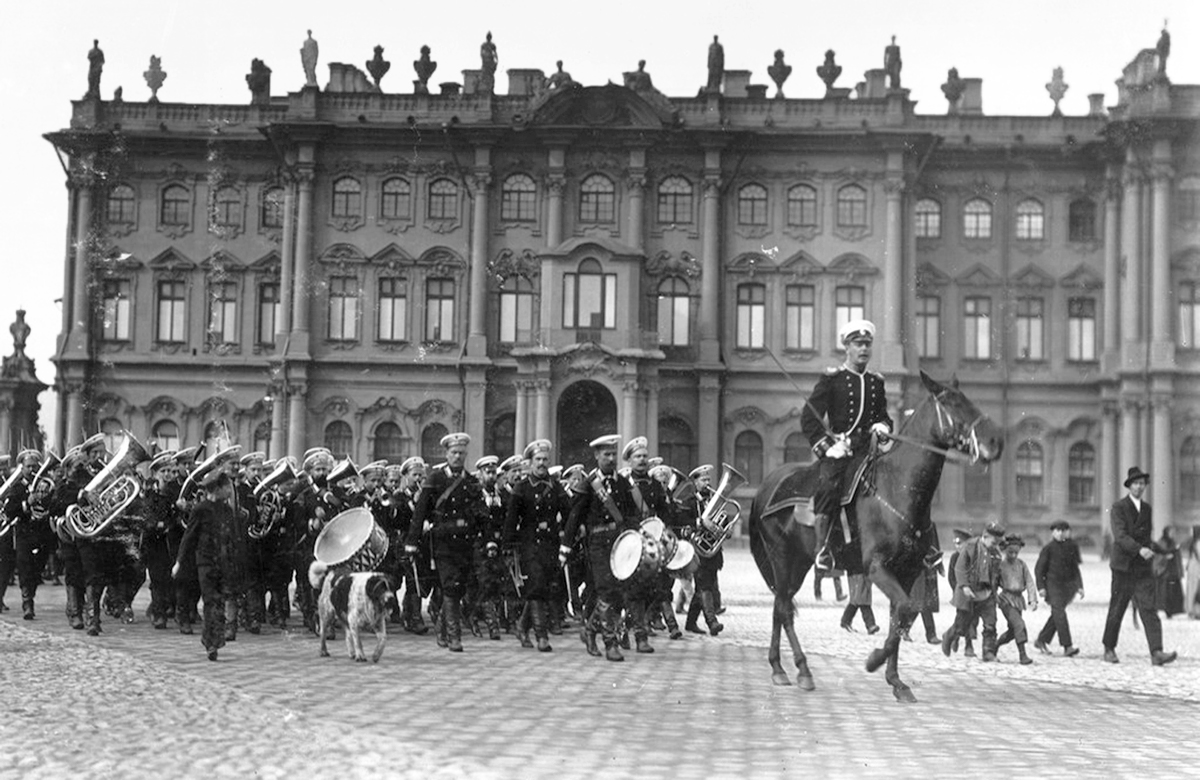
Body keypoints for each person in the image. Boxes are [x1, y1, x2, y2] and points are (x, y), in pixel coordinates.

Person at [800, 318, 892, 572]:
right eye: (858, 344)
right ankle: (822, 550)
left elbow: (884, 417)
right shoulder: (833, 379)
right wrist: (827, 447)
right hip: (840, 451)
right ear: (847, 347)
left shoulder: (876, 382)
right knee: (828, 487)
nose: (864, 349)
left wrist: (883, 426)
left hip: (868, 451)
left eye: (867, 344)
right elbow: (809, 418)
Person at [404, 433, 489, 653]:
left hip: (465, 543)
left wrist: (488, 539)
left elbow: (482, 514)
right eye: (454, 453)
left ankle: (442, 629)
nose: (458, 457)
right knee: (451, 586)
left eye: (461, 453)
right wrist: (412, 542)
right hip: (443, 543)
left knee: (458, 588)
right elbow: (420, 512)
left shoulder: (471, 481)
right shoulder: (436, 479)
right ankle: (454, 636)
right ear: (447, 454)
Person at [562, 434, 639, 661]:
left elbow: (632, 513)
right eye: (606, 454)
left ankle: (589, 630)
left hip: (620, 544)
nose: (611, 458)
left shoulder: (622, 483)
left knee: (617, 592)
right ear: (597, 456)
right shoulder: (589, 484)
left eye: (614, 454)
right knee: (605, 590)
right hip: (597, 545)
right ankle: (610, 643)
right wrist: (565, 547)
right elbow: (574, 518)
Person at [1101, 466, 1176, 665]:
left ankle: (1156, 652)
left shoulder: (1147, 509)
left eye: (1142, 483)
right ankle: (1109, 648)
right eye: (1135, 483)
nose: (1139, 487)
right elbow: (1120, 536)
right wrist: (1139, 550)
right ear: (1129, 486)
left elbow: (1147, 539)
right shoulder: (1118, 507)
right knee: (1117, 608)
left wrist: (1161, 550)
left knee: (1149, 608)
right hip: (1123, 567)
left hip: (1142, 569)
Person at [172, 453, 243, 661]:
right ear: (217, 489)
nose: (229, 491)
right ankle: (211, 643)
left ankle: (214, 639)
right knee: (211, 601)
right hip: (206, 563)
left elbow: (233, 538)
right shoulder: (201, 509)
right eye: (226, 487)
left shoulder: (227, 510)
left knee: (219, 602)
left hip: (224, 563)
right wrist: (179, 562)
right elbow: (189, 537)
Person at [505, 440, 571, 653]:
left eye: (545, 459)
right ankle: (542, 636)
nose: (542, 463)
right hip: (529, 543)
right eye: (538, 459)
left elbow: (568, 512)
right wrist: (508, 546)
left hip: (550, 544)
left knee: (542, 587)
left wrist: (568, 535)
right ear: (530, 462)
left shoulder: (555, 486)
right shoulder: (521, 488)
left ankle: (522, 627)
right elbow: (511, 519)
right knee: (536, 585)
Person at [943, 522, 1005, 661]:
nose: (995, 546)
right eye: (993, 542)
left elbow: (997, 574)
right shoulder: (970, 547)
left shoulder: (995, 553)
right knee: (962, 625)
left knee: (990, 623)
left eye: (997, 543)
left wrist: (998, 590)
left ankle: (988, 652)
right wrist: (964, 586)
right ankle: (949, 635)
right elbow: (960, 567)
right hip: (969, 593)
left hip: (987, 594)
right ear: (985, 536)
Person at [1033, 519, 1083, 657]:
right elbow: (1039, 569)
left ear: (1068, 532)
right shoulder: (1048, 548)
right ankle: (1067, 646)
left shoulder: (1072, 547)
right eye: (1057, 531)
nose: (1060, 533)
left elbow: (1075, 568)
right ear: (1053, 532)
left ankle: (1041, 640)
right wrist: (1041, 587)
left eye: (1063, 530)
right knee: (1060, 613)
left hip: (1068, 587)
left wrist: (1079, 586)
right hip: (1053, 586)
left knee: (1057, 615)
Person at [995, 534, 1038, 665]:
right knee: (1019, 624)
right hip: (1006, 600)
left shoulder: (1021, 565)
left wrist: (1032, 599)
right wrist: (994, 597)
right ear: (1005, 550)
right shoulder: (1000, 565)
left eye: (1016, 552)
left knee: (1013, 631)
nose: (1013, 555)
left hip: (1018, 600)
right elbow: (993, 583)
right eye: (1010, 552)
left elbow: (1029, 582)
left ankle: (995, 645)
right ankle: (1023, 655)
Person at [1153, 527, 1185, 618]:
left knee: (1173, 593)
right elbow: (1157, 556)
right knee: (1165, 593)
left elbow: (1177, 557)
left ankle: (1172, 610)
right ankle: (1166, 609)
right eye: (1171, 532)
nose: (1172, 534)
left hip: (1173, 572)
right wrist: (1165, 558)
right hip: (1165, 573)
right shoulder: (1161, 543)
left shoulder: (1174, 543)